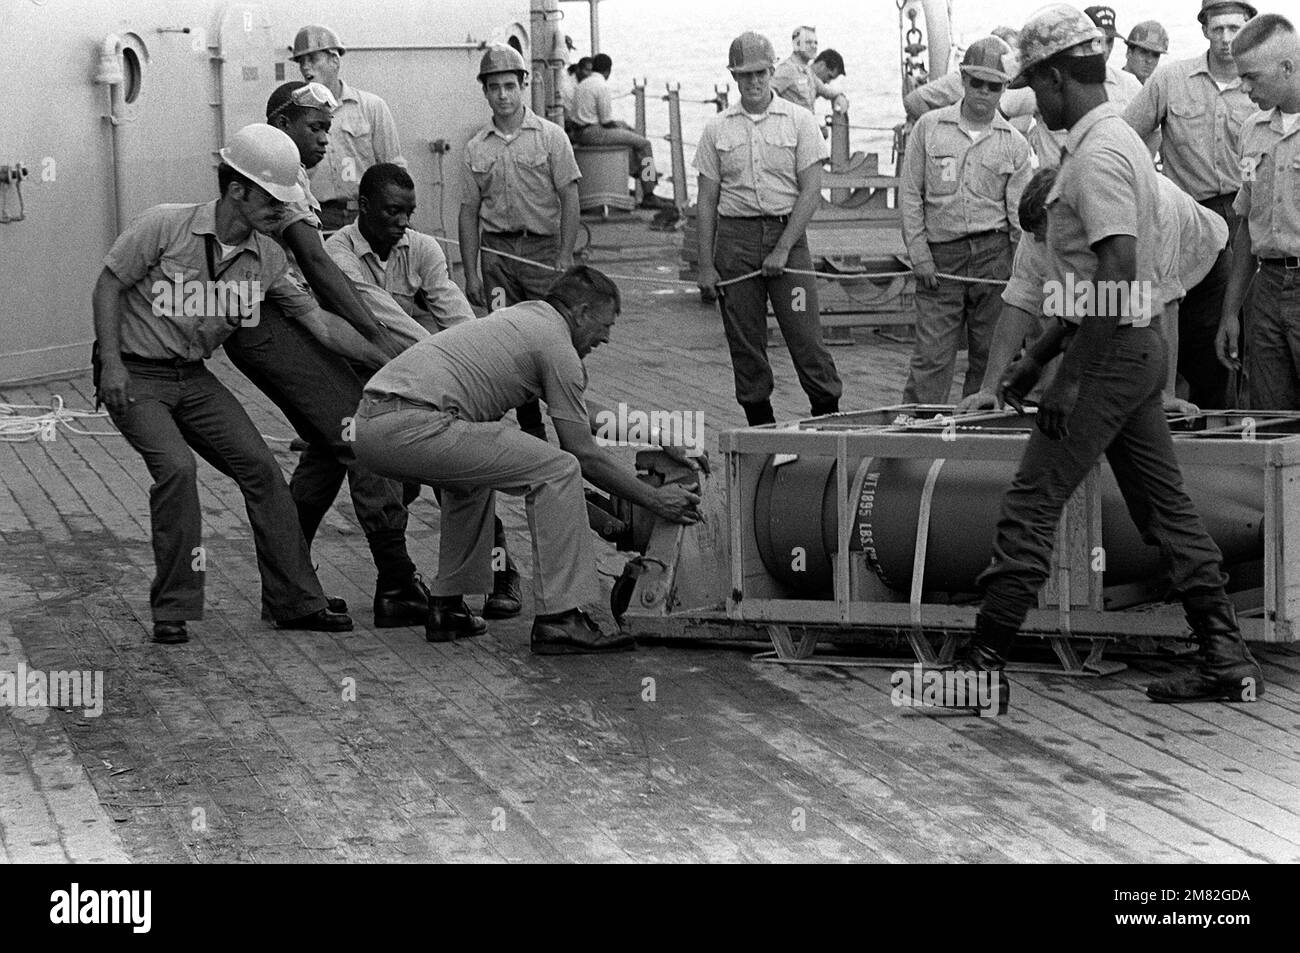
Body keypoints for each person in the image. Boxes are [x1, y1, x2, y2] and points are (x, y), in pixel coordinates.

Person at [941, 3, 1262, 709]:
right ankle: (1224, 657)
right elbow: (1099, 277)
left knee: (1029, 505)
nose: (1035, 99)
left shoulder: (1094, 157)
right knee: (1164, 511)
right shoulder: (1117, 140)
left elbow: (1118, 267)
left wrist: (1069, 379)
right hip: (1134, 350)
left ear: (1057, 79)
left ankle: (979, 663)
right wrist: (1038, 357)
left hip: (1109, 356)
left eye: (1035, 84)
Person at [91, 124, 353, 643]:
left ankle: (294, 600)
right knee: (177, 469)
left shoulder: (269, 258)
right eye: (274, 201)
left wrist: (395, 352)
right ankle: (174, 608)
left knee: (262, 470)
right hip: (136, 376)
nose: (284, 213)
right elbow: (108, 285)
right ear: (238, 191)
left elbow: (322, 325)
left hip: (192, 378)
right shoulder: (164, 226)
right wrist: (113, 367)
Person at [352, 266, 705, 652]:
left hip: (373, 426)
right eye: (605, 326)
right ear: (582, 312)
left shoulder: (526, 322)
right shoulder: (556, 346)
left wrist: (657, 432)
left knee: (470, 479)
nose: (605, 338)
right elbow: (582, 453)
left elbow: (579, 411)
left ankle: (448, 606)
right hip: (414, 424)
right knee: (558, 470)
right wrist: (654, 499)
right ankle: (562, 618)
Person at [222, 82, 431, 630]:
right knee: (359, 437)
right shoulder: (273, 180)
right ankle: (395, 580)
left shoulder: (290, 182)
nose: (325, 138)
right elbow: (317, 266)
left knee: (326, 447)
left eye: (327, 126)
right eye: (315, 126)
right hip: (272, 326)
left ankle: (291, 585)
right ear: (281, 123)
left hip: (287, 319)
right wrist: (376, 337)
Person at [959, 168, 1227, 416]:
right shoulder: (1042, 227)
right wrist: (989, 388)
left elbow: (1165, 304)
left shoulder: (1150, 207)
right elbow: (1018, 302)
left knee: (1202, 383)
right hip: (1126, 279)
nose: (1040, 244)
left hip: (1202, 271)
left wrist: (1165, 395)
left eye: (1046, 236)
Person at [694, 31, 844, 426]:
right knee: (745, 341)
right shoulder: (717, 129)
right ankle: (760, 428)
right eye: (744, 75)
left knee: (805, 336)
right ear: (733, 76)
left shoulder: (800, 121)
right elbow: (706, 201)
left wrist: (783, 248)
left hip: (788, 241)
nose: (754, 82)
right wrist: (706, 265)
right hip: (735, 244)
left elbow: (811, 191)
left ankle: (829, 420)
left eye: (760, 73)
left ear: (772, 71)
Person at [1125, 1, 1259, 408]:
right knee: (1193, 332)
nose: (1225, 38)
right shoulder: (1170, 79)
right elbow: (1125, 138)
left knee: (1253, 334)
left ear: (1249, 29)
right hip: (1189, 222)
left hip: (1249, 219)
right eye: (1216, 28)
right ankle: (1194, 424)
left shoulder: (1261, 83)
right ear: (1204, 29)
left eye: (1234, 28)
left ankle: (1247, 429)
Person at [898, 36, 1032, 405]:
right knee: (931, 356)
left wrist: (1019, 270)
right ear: (963, 80)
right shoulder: (929, 128)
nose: (984, 93)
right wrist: (919, 254)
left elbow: (1019, 218)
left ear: (1004, 89)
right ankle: (919, 433)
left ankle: (976, 434)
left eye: (994, 86)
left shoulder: (1016, 143)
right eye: (977, 83)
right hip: (940, 261)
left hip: (993, 258)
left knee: (991, 356)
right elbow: (910, 195)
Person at [1215, 14, 1300, 410]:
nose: (1243, 88)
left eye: (1252, 77)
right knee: (1271, 416)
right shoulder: (1253, 130)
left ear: (1287, 67)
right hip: (1266, 289)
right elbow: (1246, 224)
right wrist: (1231, 312)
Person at [288, 25, 405, 231]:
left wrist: (398, 216)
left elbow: (393, 169)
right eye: (301, 61)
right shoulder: (296, 115)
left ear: (335, 60)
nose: (306, 67)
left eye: (313, 59)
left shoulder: (370, 107)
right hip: (317, 219)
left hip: (366, 216)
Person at [571, 53, 665, 208]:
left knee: (626, 130)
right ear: (608, 70)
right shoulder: (602, 86)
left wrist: (623, 129)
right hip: (593, 134)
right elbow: (606, 121)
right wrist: (622, 131)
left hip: (580, 131)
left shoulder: (583, 84)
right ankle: (649, 192)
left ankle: (637, 169)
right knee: (643, 144)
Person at [772, 26, 849, 117]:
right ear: (797, 45)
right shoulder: (787, 69)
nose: (814, 46)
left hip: (807, 126)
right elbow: (766, 98)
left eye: (816, 43)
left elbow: (828, 92)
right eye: (808, 42)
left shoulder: (808, 72)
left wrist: (841, 96)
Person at [1123, 20, 1169, 85]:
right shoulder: (1109, 89)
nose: (1149, 60)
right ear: (1129, 53)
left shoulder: (1155, 92)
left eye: (1155, 55)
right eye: (1143, 52)